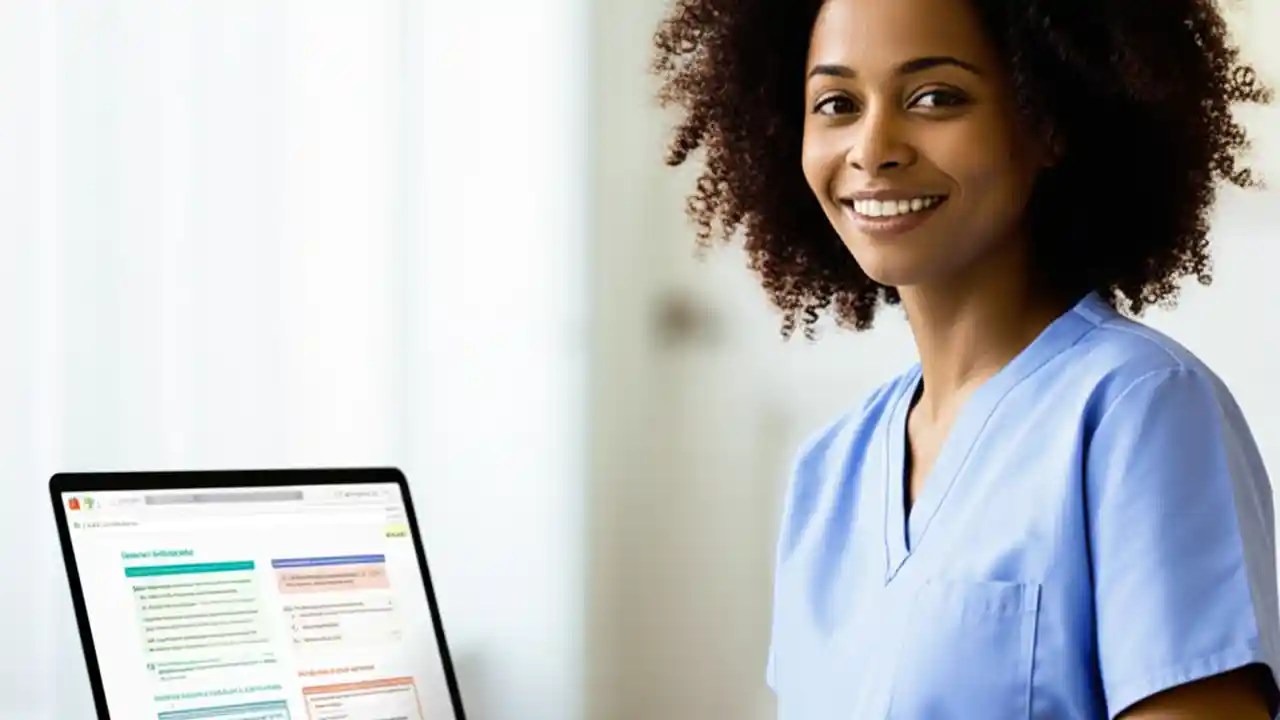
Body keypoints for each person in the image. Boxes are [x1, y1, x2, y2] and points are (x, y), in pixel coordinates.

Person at [651, 0, 1279, 717]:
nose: (872, 146)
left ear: (1047, 122)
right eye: (836, 103)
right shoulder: (829, 473)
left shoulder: (1140, 409)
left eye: (934, 97)